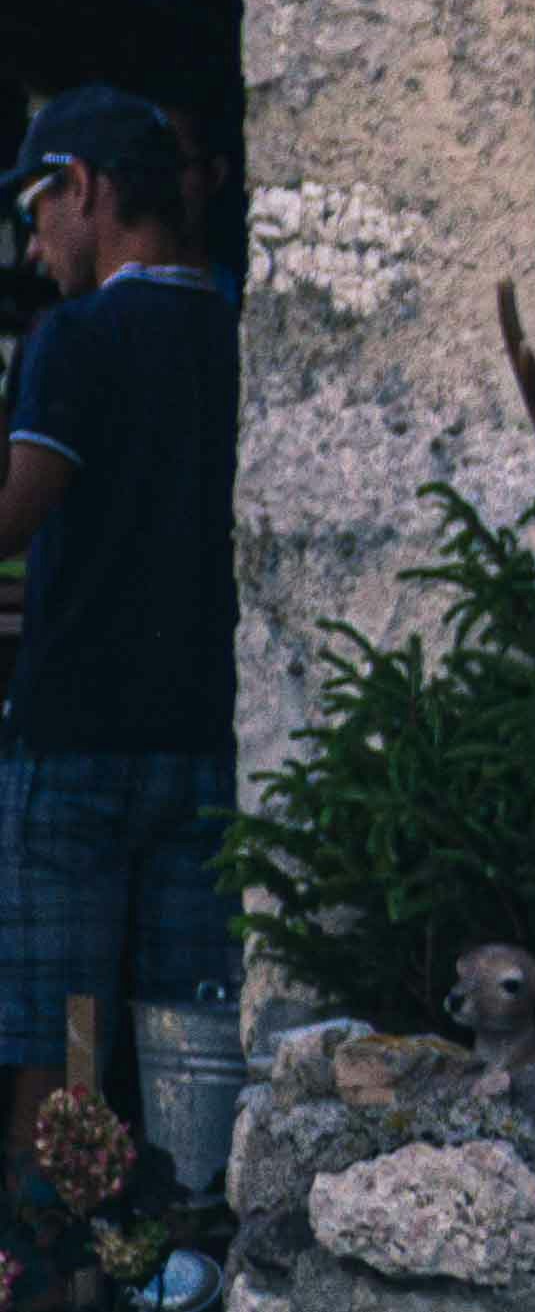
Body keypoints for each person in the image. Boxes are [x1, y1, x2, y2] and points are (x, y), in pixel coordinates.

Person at [0, 88, 239, 1154]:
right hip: (207, 739)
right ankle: (180, 1255)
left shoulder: (77, 336)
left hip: (80, 746)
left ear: (85, 189)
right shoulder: (236, 321)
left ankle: (53, 1270)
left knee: (70, 1033)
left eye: (37, 203)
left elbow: (16, 513)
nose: (33, 235)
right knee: (193, 1034)